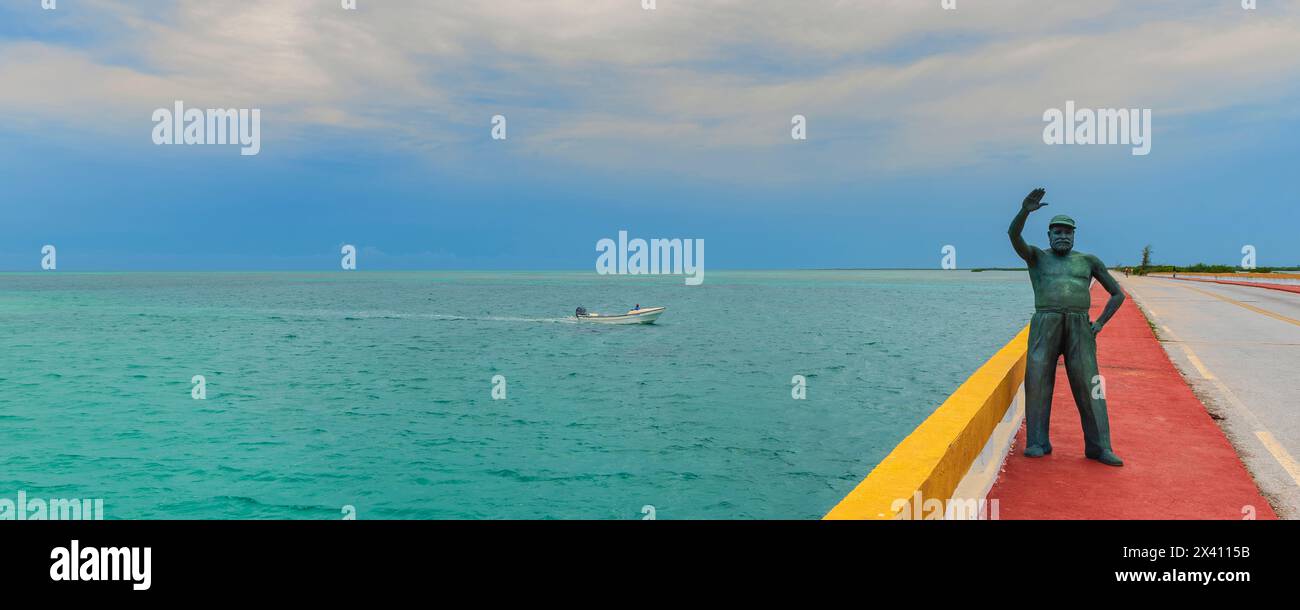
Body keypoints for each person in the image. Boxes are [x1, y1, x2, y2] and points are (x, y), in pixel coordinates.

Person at [1009, 187, 1125, 466]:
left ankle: (1099, 446)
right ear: (1049, 235)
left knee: (1089, 384)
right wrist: (1024, 211)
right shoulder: (1037, 257)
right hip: (1045, 322)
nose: (1063, 236)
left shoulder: (1088, 261)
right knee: (1037, 382)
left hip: (1079, 326)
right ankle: (1038, 441)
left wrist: (1098, 325)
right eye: (1057, 232)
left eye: (1067, 232)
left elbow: (1117, 293)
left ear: (1074, 236)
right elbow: (1014, 236)